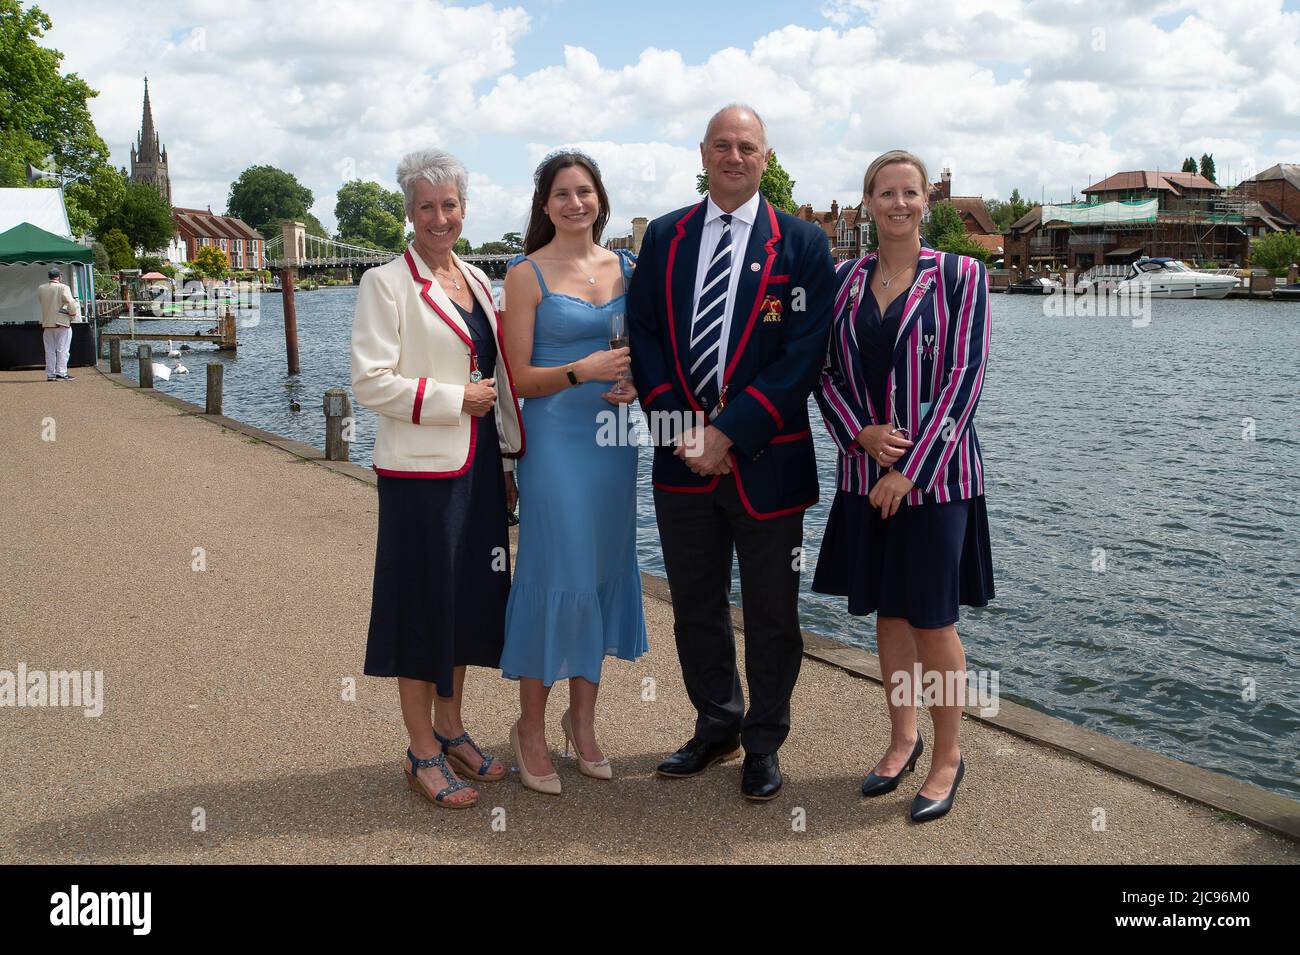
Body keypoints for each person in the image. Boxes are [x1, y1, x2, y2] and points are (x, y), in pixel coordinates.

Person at [627, 104, 834, 801]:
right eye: (723, 144)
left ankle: (764, 740)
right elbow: (646, 334)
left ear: (766, 158)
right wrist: (684, 427)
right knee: (694, 605)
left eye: (748, 146)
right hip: (680, 458)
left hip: (767, 459)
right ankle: (716, 721)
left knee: (774, 612)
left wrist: (727, 432)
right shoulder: (664, 236)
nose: (735, 156)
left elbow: (804, 355)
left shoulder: (802, 242)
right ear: (704, 153)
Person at [813, 149, 994, 822]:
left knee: (933, 619)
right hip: (864, 477)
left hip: (938, 482)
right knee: (889, 615)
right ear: (868, 203)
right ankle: (901, 738)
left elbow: (965, 379)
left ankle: (949, 754)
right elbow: (822, 375)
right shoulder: (842, 281)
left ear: (926, 202)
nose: (897, 202)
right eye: (884, 192)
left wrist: (909, 469)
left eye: (909, 192)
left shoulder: (961, 276)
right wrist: (859, 434)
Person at [350, 148, 525, 809]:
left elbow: (500, 378)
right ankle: (421, 747)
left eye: (450, 204)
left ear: (463, 207)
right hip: (420, 471)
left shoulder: (478, 281)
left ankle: (452, 728)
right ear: (409, 212)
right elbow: (371, 381)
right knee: (422, 604)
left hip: (479, 461)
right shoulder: (384, 284)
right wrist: (455, 400)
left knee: (466, 599)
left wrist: (506, 459)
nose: (440, 216)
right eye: (427, 206)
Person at [499, 149, 647, 795]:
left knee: (600, 571)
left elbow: (647, 353)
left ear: (600, 198)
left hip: (614, 440)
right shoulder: (525, 275)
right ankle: (529, 726)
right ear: (545, 204)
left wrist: (635, 380)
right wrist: (580, 372)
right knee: (553, 571)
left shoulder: (630, 269)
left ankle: (581, 722)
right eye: (562, 193)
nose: (575, 202)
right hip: (556, 438)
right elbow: (521, 377)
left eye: (585, 191)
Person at [37, 267, 80, 381]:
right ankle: (61, 372)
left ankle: (50, 373)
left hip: (47, 323)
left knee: (49, 350)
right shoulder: (63, 287)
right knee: (63, 349)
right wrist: (72, 315)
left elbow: (42, 302)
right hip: (62, 323)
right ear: (59, 276)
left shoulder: (41, 288)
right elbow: (70, 302)